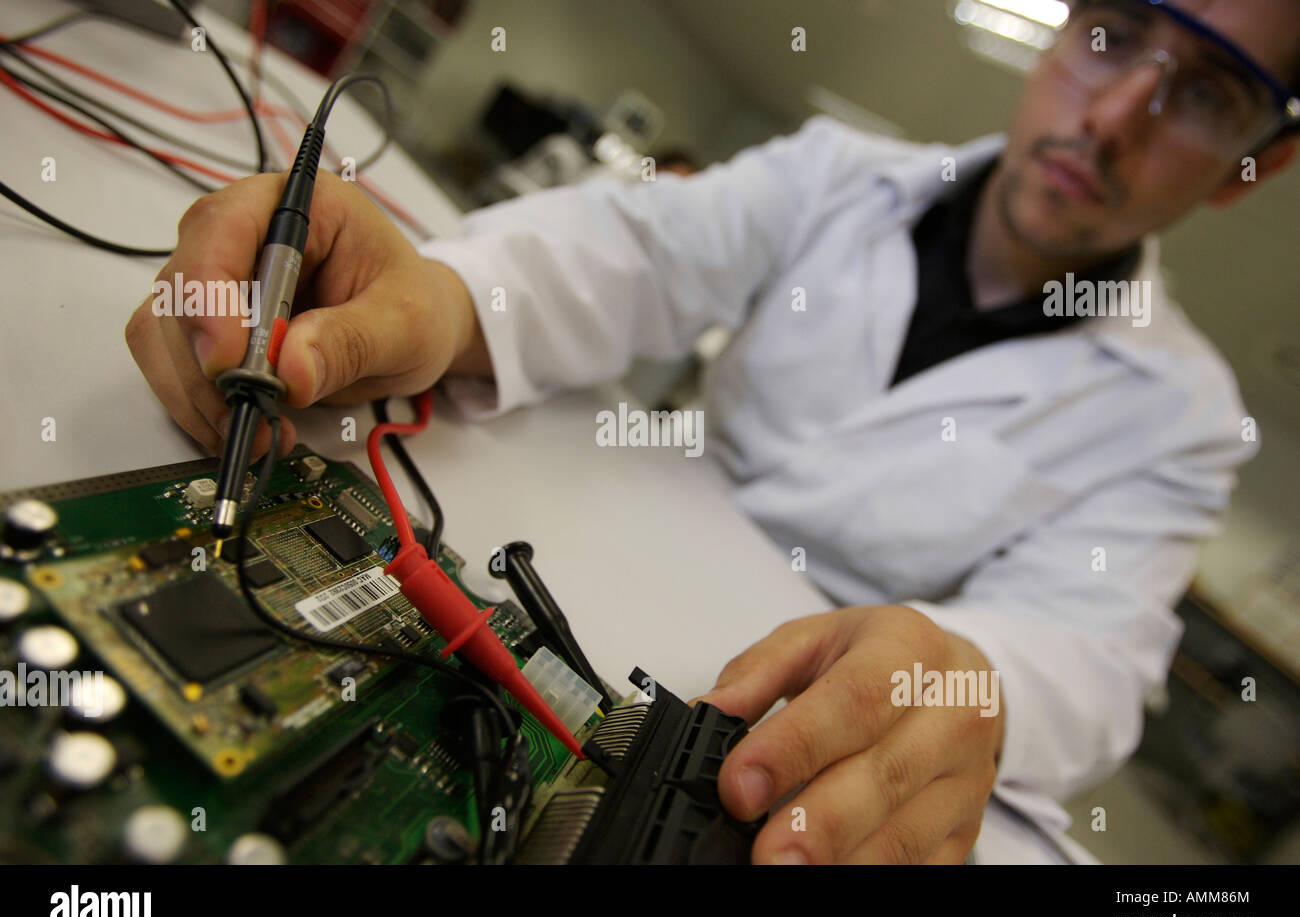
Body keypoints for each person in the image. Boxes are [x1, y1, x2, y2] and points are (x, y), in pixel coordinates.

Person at [125, 0, 1300, 864]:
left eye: (1203, 92)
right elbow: (640, 249)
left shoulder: (1181, 410)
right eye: (1111, 33)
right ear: (1059, 30)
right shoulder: (840, 175)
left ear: (1261, 163)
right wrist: (448, 300)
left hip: (804, 739)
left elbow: (1092, 653)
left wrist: (970, 676)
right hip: (619, 557)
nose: (1117, 113)